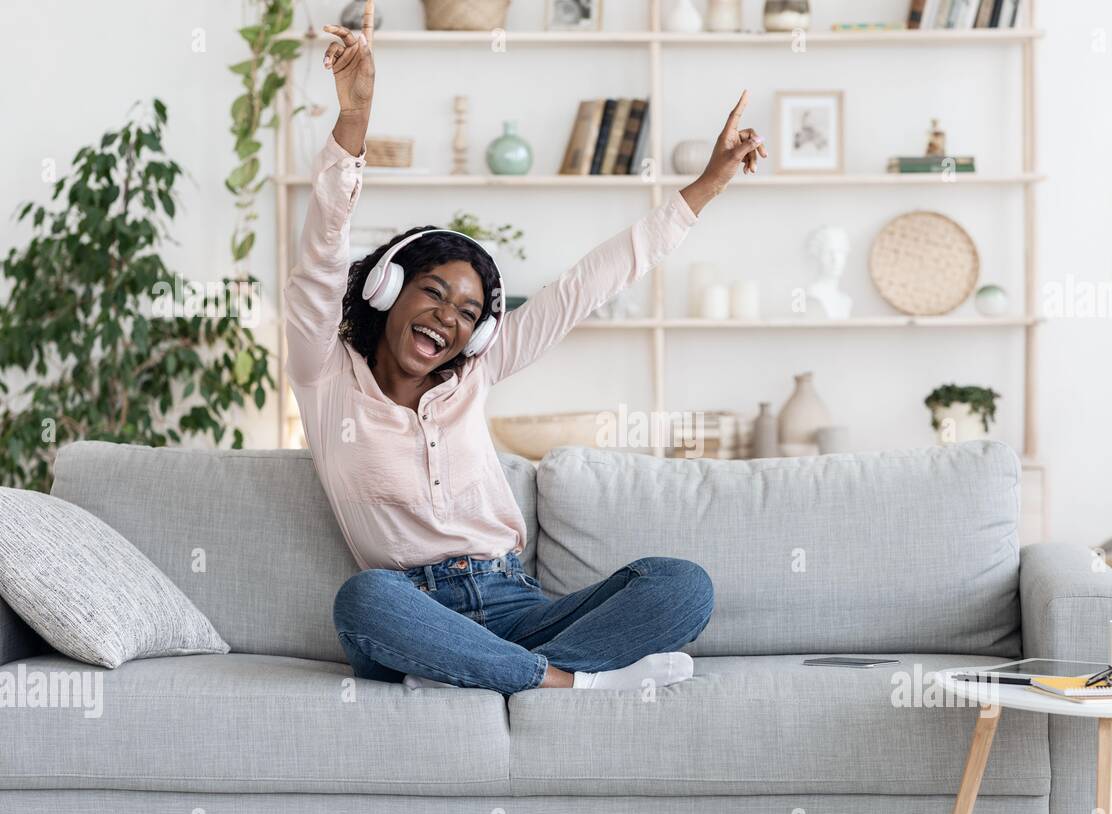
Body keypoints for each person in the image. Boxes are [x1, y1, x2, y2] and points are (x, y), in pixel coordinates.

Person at [286, 15, 767, 695]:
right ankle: (568, 685)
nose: (448, 321)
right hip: (412, 609)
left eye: (469, 314)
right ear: (387, 289)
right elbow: (321, 251)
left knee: (681, 586)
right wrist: (356, 112)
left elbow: (588, 284)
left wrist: (707, 185)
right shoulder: (324, 371)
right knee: (363, 601)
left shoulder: (476, 372)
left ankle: (485, 673)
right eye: (433, 293)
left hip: (519, 608)